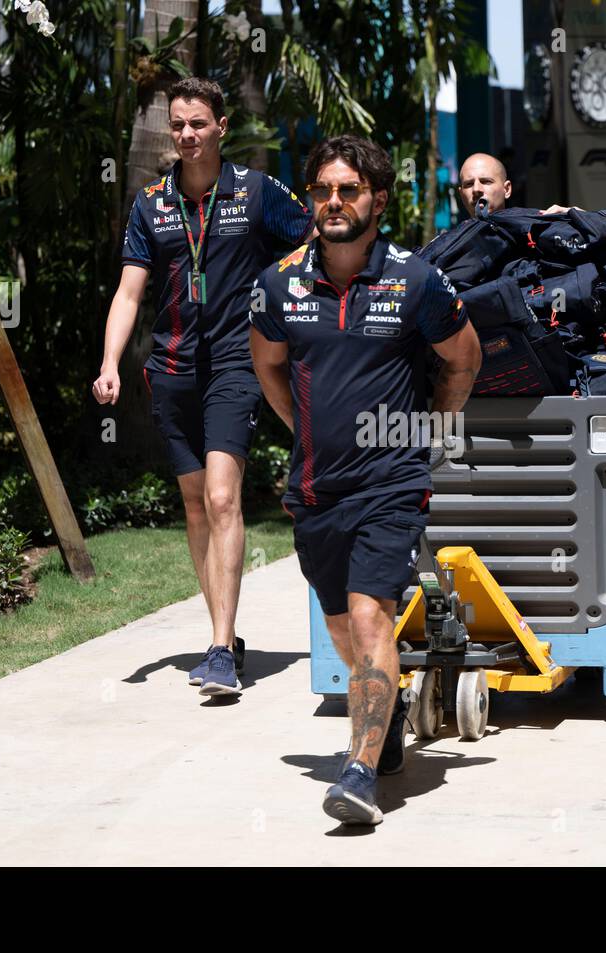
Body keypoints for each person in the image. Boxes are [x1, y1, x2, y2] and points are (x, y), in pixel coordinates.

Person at [250, 135, 481, 825]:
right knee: (340, 628)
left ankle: (358, 772)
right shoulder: (280, 284)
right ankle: (383, 728)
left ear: (377, 199)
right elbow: (268, 368)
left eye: (347, 190)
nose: (332, 202)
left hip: (392, 481)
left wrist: (429, 428)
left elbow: (464, 361)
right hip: (318, 487)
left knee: (369, 614)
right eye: (322, 190)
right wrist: (306, 430)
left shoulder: (416, 282)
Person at [93, 77, 314, 697]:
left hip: (236, 364)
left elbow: (312, 245)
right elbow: (130, 290)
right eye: (179, 125)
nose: (187, 135)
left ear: (221, 126)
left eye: (198, 124)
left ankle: (219, 649)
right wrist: (111, 363)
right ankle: (223, 632)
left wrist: (289, 316)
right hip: (170, 367)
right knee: (194, 504)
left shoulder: (255, 191)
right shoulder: (151, 203)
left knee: (222, 498)